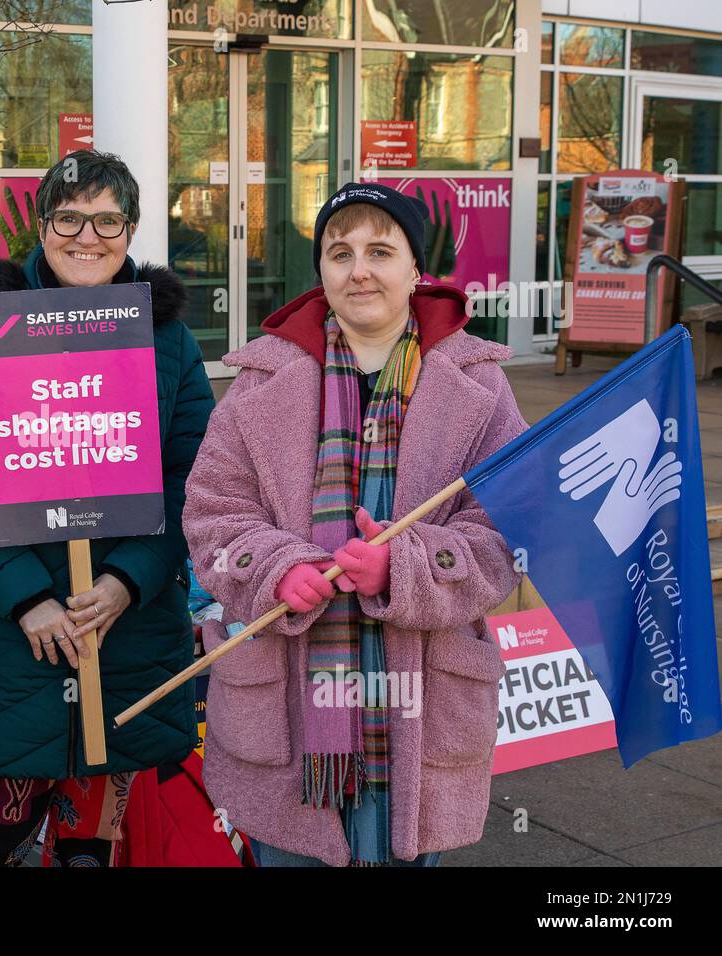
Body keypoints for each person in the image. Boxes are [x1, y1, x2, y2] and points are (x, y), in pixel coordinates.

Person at [183, 182, 527, 867]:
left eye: (380, 250)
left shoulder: (480, 385)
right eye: (339, 253)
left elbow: (507, 532)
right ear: (321, 272)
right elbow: (213, 513)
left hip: (423, 702)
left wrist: (404, 568)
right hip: (284, 706)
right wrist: (278, 568)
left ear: (415, 271)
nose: (359, 269)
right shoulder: (260, 380)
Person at [0, 149, 214, 866]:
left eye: (108, 219)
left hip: (127, 632)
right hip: (11, 637)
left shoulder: (168, 339)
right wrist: (26, 600)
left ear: (132, 228)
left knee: (94, 848)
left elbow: (197, 475)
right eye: (70, 217)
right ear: (43, 225)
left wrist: (125, 582)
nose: (89, 237)